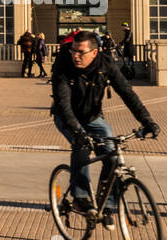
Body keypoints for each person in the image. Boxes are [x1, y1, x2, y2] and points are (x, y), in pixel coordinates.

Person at [51, 31, 159, 227]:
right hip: (67, 117)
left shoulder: (106, 64)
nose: (75, 55)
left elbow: (127, 93)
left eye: (81, 52)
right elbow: (63, 101)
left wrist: (147, 120)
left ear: (95, 52)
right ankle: (80, 198)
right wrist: (77, 131)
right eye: (74, 50)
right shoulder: (64, 64)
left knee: (112, 156)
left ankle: (107, 205)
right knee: (81, 147)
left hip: (93, 118)